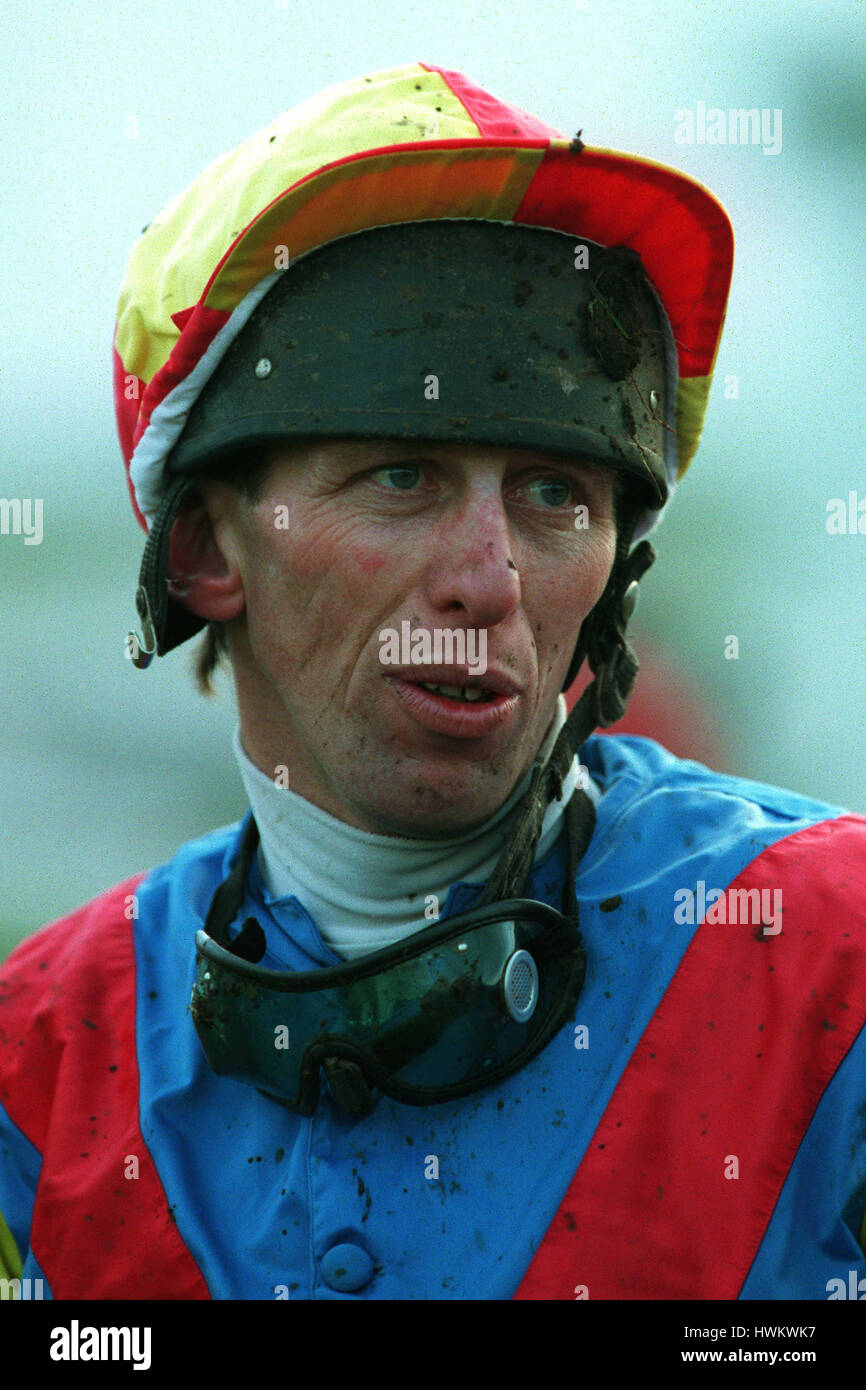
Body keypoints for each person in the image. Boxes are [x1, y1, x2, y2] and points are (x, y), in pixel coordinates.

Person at [1, 61, 864, 1303]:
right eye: (402, 478)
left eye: (555, 494)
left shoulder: (832, 962)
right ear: (201, 550)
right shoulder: (35, 1061)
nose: (490, 578)